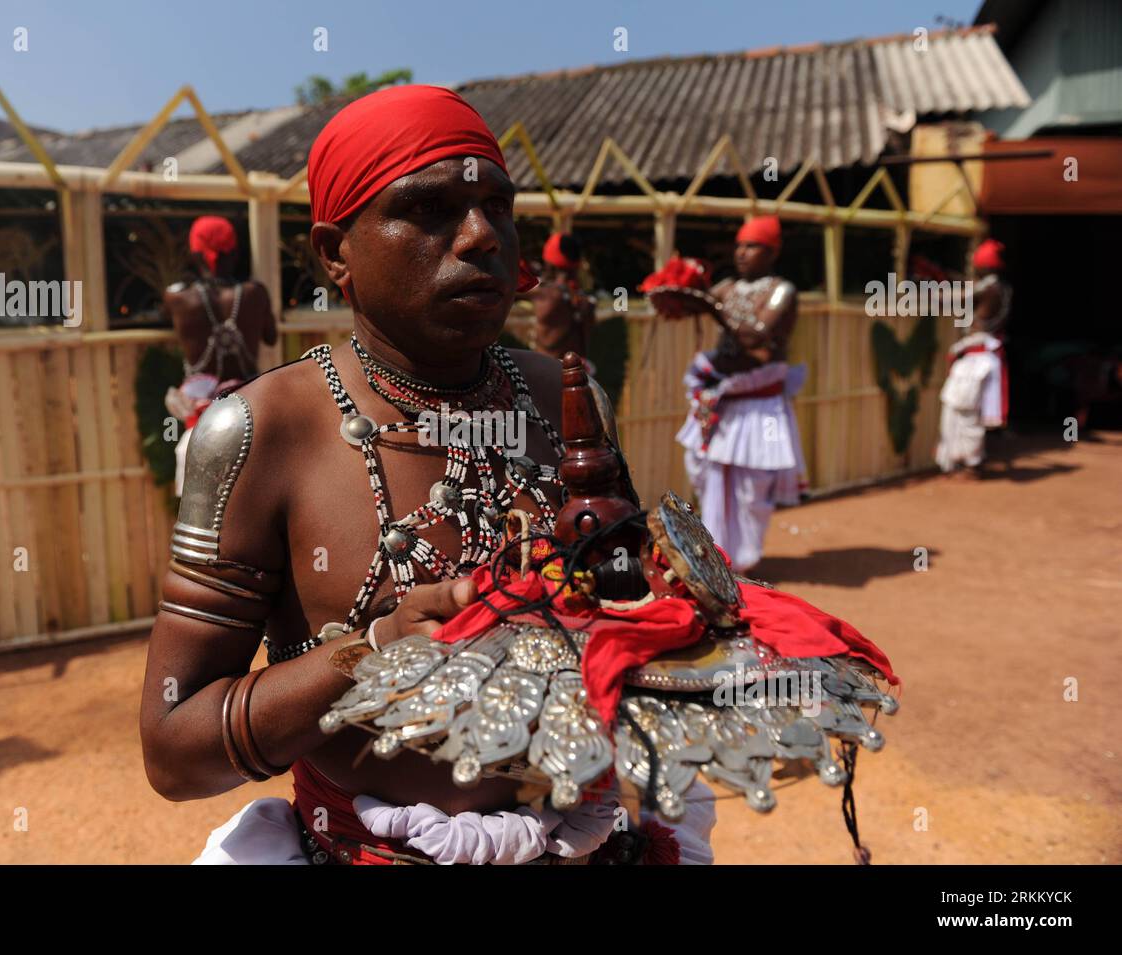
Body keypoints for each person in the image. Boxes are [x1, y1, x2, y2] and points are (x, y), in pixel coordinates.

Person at [139, 84, 716, 865]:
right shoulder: (258, 432)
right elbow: (175, 750)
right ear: (334, 253)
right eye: (430, 209)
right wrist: (371, 652)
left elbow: (622, 613)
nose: (482, 235)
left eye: (498, 207)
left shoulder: (566, 397)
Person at [673, 216, 806, 573]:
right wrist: (677, 289)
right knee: (710, 478)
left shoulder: (782, 290)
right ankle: (719, 555)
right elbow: (693, 303)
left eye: (752, 246)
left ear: (773, 251)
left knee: (751, 491)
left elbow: (756, 335)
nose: (742, 253)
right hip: (722, 399)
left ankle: (745, 561)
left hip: (759, 404)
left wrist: (712, 307)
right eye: (739, 246)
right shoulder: (727, 286)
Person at [162, 216, 278, 495]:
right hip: (251, 413)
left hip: (202, 422)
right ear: (235, 252)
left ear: (194, 253)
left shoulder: (177, 298)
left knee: (201, 510)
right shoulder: (254, 293)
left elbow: (163, 320)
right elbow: (271, 337)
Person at [935, 238, 1011, 475]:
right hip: (979, 357)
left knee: (965, 411)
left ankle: (970, 463)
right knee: (963, 411)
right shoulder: (997, 287)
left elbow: (956, 297)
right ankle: (965, 461)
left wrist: (920, 293)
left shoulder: (989, 289)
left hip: (977, 360)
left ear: (984, 265)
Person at [529, 232, 596, 366]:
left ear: (550, 263)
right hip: (578, 378)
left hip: (547, 376)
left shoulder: (546, 295)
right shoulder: (586, 302)